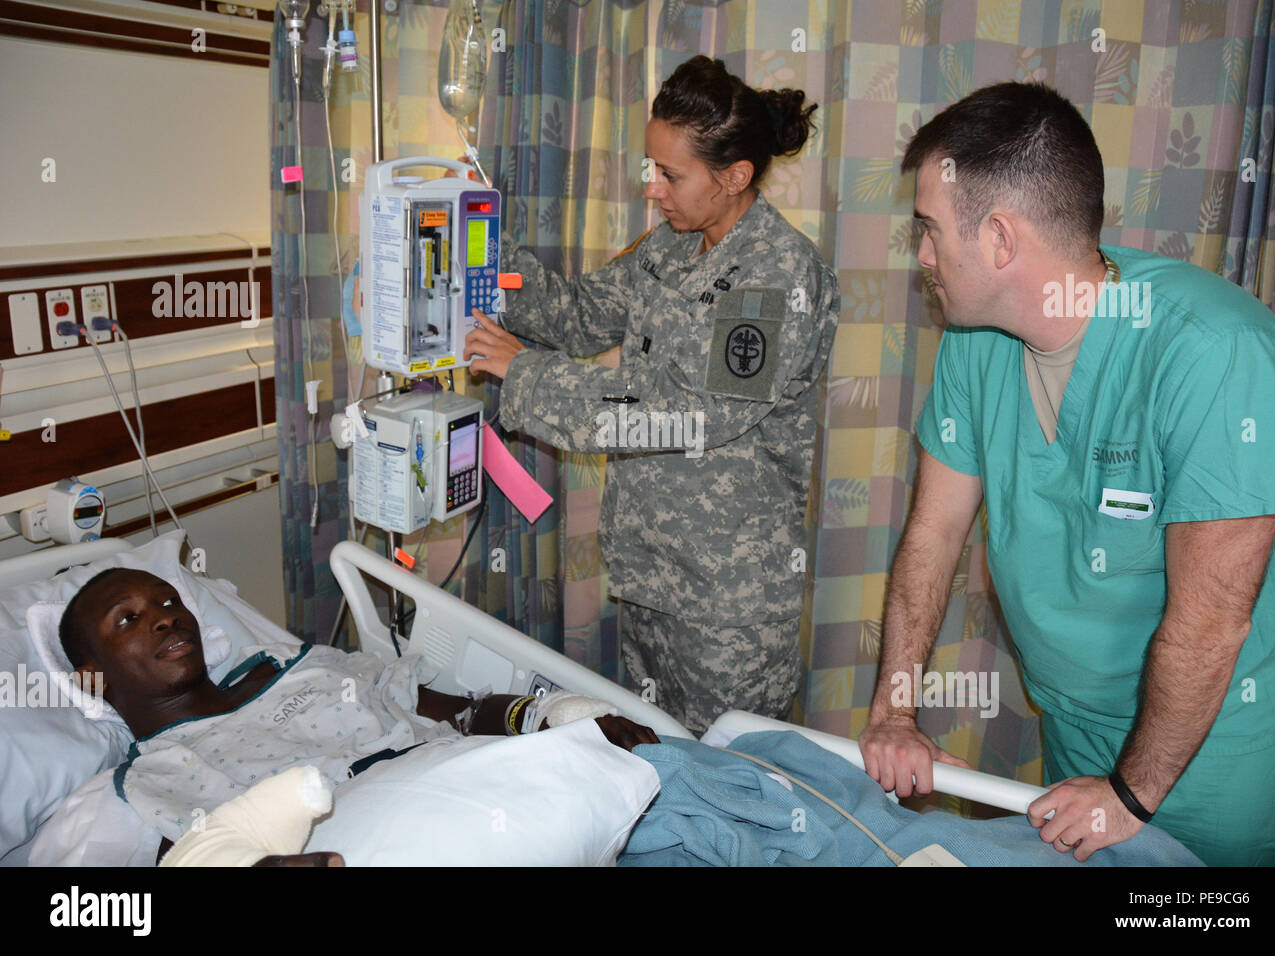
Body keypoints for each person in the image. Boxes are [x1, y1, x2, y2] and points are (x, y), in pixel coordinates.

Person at [858, 81, 1275, 866]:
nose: (920, 254)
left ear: (998, 239)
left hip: (1214, 752)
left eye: (927, 229)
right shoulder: (976, 337)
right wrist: (894, 712)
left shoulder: (1215, 354)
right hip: (1076, 736)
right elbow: (933, 533)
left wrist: (1131, 794)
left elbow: (1211, 623)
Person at [463, 55, 840, 736]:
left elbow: (693, 411)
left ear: (734, 177)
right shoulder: (669, 248)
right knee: (655, 759)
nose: (654, 189)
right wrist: (481, 250)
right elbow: (576, 315)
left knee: (729, 783)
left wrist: (527, 375)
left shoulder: (776, 274)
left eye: (670, 174)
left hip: (727, 601)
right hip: (652, 572)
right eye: (652, 168)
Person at [48, 567, 658, 865]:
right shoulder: (153, 776)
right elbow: (204, 858)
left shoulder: (303, 667)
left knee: (688, 778)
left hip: (490, 777)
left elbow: (465, 714)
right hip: (384, 844)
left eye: (169, 601)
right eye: (127, 620)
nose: (165, 617)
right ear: (91, 677)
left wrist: (561, 716)